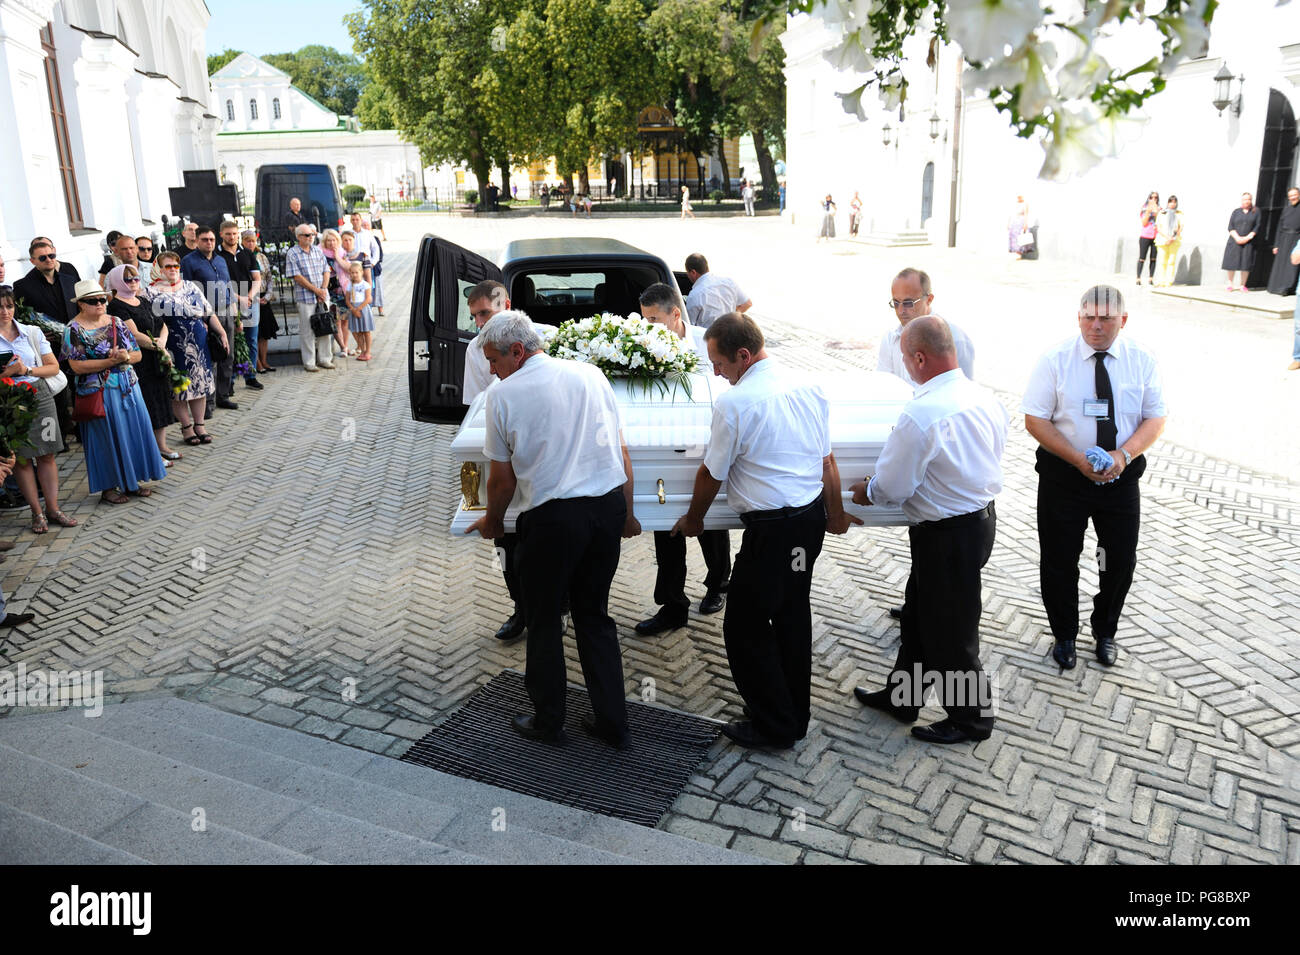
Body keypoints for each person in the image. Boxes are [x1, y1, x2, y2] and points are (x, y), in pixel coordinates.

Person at [672, 312, 859, 749]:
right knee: (792, 615)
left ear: (743, 355)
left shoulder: (736, 403)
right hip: (807, 521)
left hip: (772, 532)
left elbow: (711, 474)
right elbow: (826, 461)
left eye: (719, 364)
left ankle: (774, 724)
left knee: (744, 626)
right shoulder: (809, 387)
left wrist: (695, 520)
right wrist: (834, 514)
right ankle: (794, 714)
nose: (716, 373)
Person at [465, 311, 640, 749]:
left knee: (543, 620)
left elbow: (501, 480)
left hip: (553, 521)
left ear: (517, 351)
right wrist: (628, 513)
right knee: (595, 617)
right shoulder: (591, 374)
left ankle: (549, 721)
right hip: (605, 509)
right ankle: (613, 724)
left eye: (493, 360)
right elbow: (621, 451)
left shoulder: (501, 397)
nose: (490, 370)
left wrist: (491, 522)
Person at [849, 317, 1007, 745]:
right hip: (977, 522)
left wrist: (867, 491)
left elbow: (895, 486)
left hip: (947, 535)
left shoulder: (922, 413)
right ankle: (904, 697)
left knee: (951, 634)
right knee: (920, 617)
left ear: (919, 357)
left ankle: (972, 720)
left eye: (905, 359)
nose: (905, 367)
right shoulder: (983, 396)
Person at [1022, 285, 1167, 671]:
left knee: (1118, 560)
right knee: (1060, 560)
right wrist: (1076, 460)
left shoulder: (1141, 360)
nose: (1096, 326)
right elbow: (1034, 419)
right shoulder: (1055, 360)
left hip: (1121, 480)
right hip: (1064, 479)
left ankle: (1105, 631)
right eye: (1089, 317)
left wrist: (1123, 455)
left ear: (1123, 320)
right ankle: (1064, 634)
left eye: (1105, 318)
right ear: (1079, 317)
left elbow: (1155, 418)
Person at [633, 283, 731, 637]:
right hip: (663, 442)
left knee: (709, 521)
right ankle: (672, 604)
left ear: (676, 314)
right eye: (645, 319)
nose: (649, 326)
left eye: (655, 319)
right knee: (665, 521)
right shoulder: (644, 345)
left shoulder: (709, 343)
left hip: (704, 444)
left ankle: (718, 583)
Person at [63, 280, 167, 503]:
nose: (100, 303)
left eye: (102, 299)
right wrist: (109, 362)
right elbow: (76, 366)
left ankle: (132, 482)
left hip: (128, 386)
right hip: (98, 392)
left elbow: (137, 354)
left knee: (132, 432)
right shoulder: (73, 330)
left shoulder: (116, 322)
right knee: (105, 438)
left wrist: (125, 358)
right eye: (93, 301)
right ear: (81, 304)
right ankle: (108, 488)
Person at [0, 284, 76, 533]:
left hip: (39, 395)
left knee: (47, 453)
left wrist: (25, 370)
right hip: (8, 401)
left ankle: (53, 509)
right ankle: (37, 512)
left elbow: (52, 367)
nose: (4, 312)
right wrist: (6, 375)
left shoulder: (31, 332)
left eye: (9, 306)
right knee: (22, 458)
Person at [107, 264, 179, 466]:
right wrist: (159, 347)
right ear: (118, 282)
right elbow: (134, 335)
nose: (133, 282)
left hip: (157, 355)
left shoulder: (144, 299)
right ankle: (152, 452)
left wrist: (162, 344)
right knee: (147, 404)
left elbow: (162, 324)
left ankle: (162, 446)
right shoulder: (116, 306)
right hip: (140, 360)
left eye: (136, 278)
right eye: (128, 279)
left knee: (161, 401)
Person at [878, 268, 976, 385]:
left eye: (908, 303)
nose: (901, 311)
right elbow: (883, 384)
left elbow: (963, 390)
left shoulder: (956, 339)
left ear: (929, 300)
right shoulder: (890, 338)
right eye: (896, 303)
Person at [181, 226, 237, 409]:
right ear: (197, 240)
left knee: (227, 354)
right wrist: (198, 319)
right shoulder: (188, 262)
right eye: (205, 239)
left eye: (212, 239)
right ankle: (208, 403)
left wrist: (236, 313)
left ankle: (223, 395)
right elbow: (186, 292)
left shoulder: (220, 260)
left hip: (226, 311)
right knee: (209, 358)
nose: (209, 243)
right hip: (205, 315)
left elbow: (228, 285)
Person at [217, 220, 262, 392]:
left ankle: (250, 376)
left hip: (249, 301)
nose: (232, 237)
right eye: (228, 234)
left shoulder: (247, 253)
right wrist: (238, 298)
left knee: (251, 340)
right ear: (221, 234)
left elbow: (257, 279)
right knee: (232, 341)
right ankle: (231, 380)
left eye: (235, 233)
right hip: (229, 303)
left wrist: (249, 297)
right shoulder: (217, 255)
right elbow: (220, 282)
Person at [284, 223, 334, 372]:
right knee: (307, 331)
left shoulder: (317, 251)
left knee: (326, 327)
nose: (311, 237)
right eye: (307, 235)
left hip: (322, 296)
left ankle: (325, 359)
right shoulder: (292, 253)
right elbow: (297, 277)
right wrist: (316, 291)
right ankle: (309, 362)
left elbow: (326, 270)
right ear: (299, 237)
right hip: (305, 298)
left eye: (312, 234)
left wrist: (323, 289)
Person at [12, 238, 80, 323]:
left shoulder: (69, 280)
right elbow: (19, 316)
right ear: (32, 261)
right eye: (42, 258)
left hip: (74, 332)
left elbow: (80, 305)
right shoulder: (22, 286)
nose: (48, 260)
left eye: (51, 256)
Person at [683, 253, 752, 329]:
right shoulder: (729, 282)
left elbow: (688, 326)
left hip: (706, 338)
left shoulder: (694, 295)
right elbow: (747, 303)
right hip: (730, 334)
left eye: (687, 273)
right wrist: (732, 318)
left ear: (693, 272)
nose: (687, 276)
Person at [321, 229, 353, 357]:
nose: (331, 243)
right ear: (325, 241)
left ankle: (345, 347)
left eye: (334, 240)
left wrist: (337, 257)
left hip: (343, 290)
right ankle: (343, 347)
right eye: (329, 240)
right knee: (336, 321)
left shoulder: (342, 252)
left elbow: (349, 268)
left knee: (345, 321)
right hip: (330, 291)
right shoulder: (320, 253)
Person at [1222, 192, 1261, 291]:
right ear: (1241, 200)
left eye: (1248, 199)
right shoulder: (1236, 212)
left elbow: (1257, 227)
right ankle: (1230, 284)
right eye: (1244, 199)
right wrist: (1237, 238)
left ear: (1251, 200)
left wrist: (1247, 238)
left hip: (1248, 242)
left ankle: (1242, 285)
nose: (1246, 201)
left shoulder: (1256, 212)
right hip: (1234, 240)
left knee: (1246, 264)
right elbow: (1230, 226)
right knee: (1232, 262)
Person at [349, 212, 383, 316]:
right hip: (353, 266)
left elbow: (375, 249)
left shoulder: (367, 234)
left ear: (360, 220)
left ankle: (368, 308)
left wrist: (373, 262)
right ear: (350, 221)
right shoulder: (348, 233)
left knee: (368, 287)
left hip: (367, 265)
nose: (355, 221)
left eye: (357, 219)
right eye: (353, 219)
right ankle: (356, 309)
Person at [1267, 187, 1300, 296]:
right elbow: (1279, 227)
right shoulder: (1286, 209)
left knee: (1292, 265)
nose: (1293, 197)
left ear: (1299, 195)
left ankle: (1287, 288)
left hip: (1296, 238)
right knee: (1280, 264)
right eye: (1291, 196)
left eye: (1294, 195)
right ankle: (1275, 287)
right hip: (1284, 239)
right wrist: (1276, 244)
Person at [345, 261, 374, 362]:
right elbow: (347, 300)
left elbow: (368, 298)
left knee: (366, 331)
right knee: (358, 332)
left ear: (361, 272)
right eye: (352, 273)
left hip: (363, 309)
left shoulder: (365, 285)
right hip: (353, 309)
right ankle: (362, 350)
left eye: (356, 272)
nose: (354, 274)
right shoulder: (349, 286)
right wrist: (353, 309)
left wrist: (359, 309)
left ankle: (368, 352)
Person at [1154, 195, 1184, 288]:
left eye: (1174, 202)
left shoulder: (1179, 214)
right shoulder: (1162, 213)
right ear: (1167, 203)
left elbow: (1180, 227)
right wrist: (1166, 237)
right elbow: (1158, 227)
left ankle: (1168, 281)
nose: (1172, 204)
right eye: (1171, 201)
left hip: (1174, 240)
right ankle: (1160, 280)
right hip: (1162, 239)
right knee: (1162, 261)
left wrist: (1172, 238)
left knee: (1171, 261)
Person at [1137, 191, 1160, 286]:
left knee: (1153, 258)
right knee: (1142, 258)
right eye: (1152, 197)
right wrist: (1149, 211)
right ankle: (1138, 278)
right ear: (1148, 198)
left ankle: (1151, 279)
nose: (1153, 199)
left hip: (1156, 236)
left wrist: (1156, 212)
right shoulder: (1144, 208)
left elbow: (1161, 222)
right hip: (1145, 236)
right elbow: (1144, 223)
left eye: (1156, 198)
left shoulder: (1160, 209)